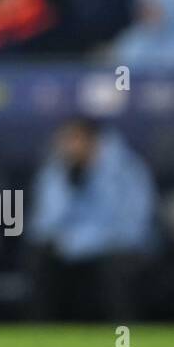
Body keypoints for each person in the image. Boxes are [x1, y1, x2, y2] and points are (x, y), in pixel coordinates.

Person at [28, 118, 158, 320]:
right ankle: (43, 336)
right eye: (65, 141)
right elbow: (43, 223)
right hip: (70, 247)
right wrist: (68, 185)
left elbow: (133, 226)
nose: (68, 147)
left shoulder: (127, 169)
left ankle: (124, 336)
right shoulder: (56, 170)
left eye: (74, 140)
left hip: (115, 247)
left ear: (92, 140)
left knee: (116, 265)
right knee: (39, 257)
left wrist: (81, 243)